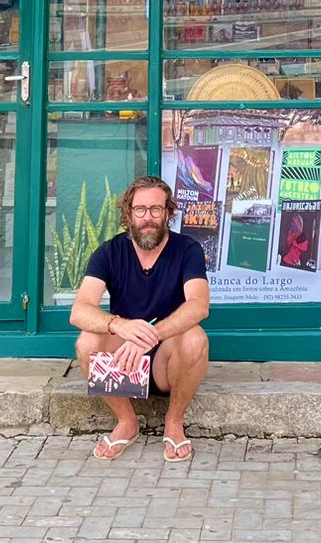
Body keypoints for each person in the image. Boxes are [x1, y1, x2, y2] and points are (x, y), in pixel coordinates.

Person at [69, 175, 210, 463]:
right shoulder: (109, 252)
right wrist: (119, 325)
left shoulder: (187, 250)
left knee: (195, 338)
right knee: (86, 341)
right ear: (129, 213)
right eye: (140, 210)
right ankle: (127, 421)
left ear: (168, 213)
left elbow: (199, 305)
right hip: (125, 363)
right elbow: (80, 310)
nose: (148, 217)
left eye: (156, 210)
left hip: (167, 363)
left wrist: (152, 335)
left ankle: (173, 421)